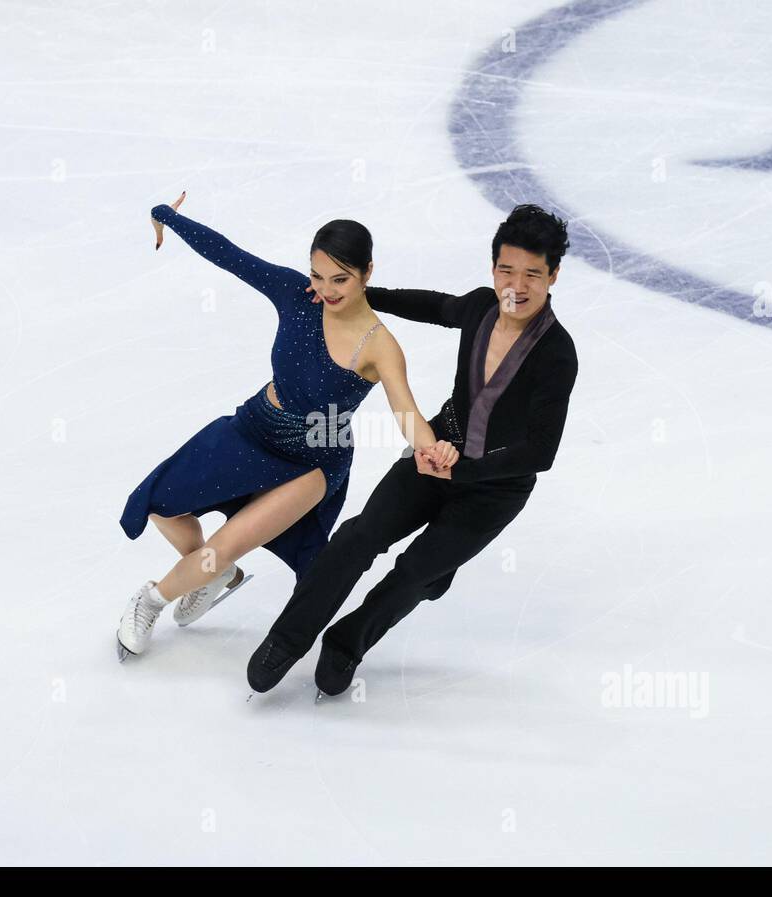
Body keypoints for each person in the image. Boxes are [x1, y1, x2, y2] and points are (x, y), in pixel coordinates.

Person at [246, 204, 578, 696]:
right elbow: (434, 306)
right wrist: (362, 294)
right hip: (435, 447)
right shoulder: (481, 307)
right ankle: (288, 637)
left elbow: (540, 452)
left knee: (418, 573)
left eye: (532, 273)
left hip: (493, 489)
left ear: (553, 276)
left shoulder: (557, 353)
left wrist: (462, 474)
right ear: (493, 268)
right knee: (360, 535)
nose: (516, 285)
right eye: (506, 270)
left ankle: (346, 643)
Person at [115, 192, 458, 661]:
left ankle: (150, 600)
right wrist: (167, 218)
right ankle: (210, 575)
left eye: (341, 279)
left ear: (368, 273)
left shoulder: (380, 346)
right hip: (254, 427)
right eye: (318, 275)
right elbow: (230, 255)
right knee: (160, 504)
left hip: (314, 458)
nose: (327, 290)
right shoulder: (298, 295)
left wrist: (429, 448)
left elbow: (406, 412)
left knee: (225, 546)